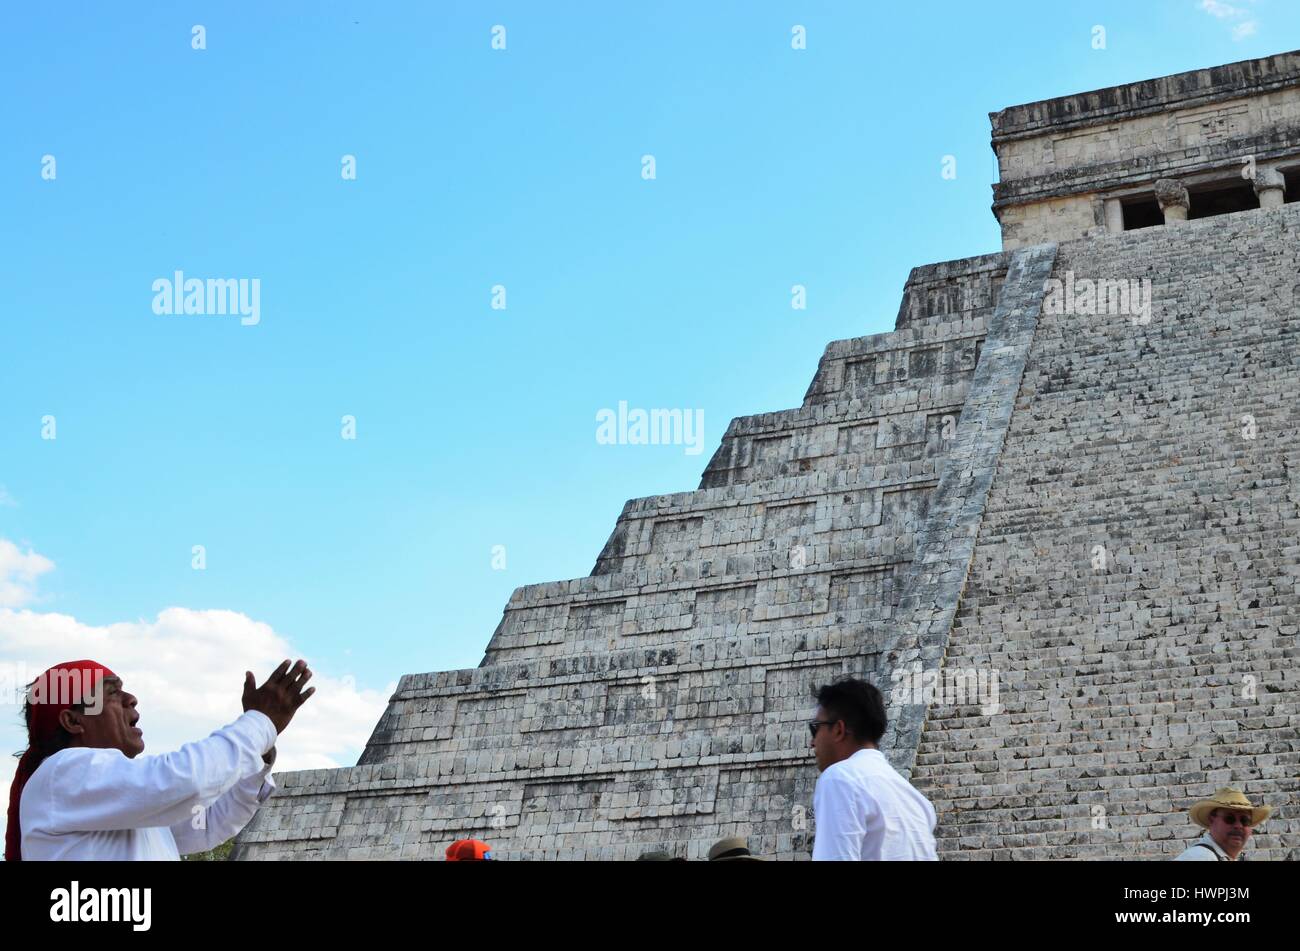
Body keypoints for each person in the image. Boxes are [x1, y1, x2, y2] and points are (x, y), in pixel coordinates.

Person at [7, 657, 314, 861]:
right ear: (73, 721)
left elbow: (206, 822)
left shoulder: (121, 804)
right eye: (112, 693)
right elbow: (186, 781)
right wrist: (259, 723)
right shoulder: (62, 772)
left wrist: (258, 749)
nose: (131, 699)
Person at [809, 678, 937, 860]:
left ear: (838, 729)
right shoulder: (917, 801)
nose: (812, 742)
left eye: (815, 729)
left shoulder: (840, 779)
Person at [1173, 787, 1272, 861]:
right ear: (1212, 820)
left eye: (1244, 820)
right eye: (1229, 819)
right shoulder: (1201, 857)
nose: (1238, 825)